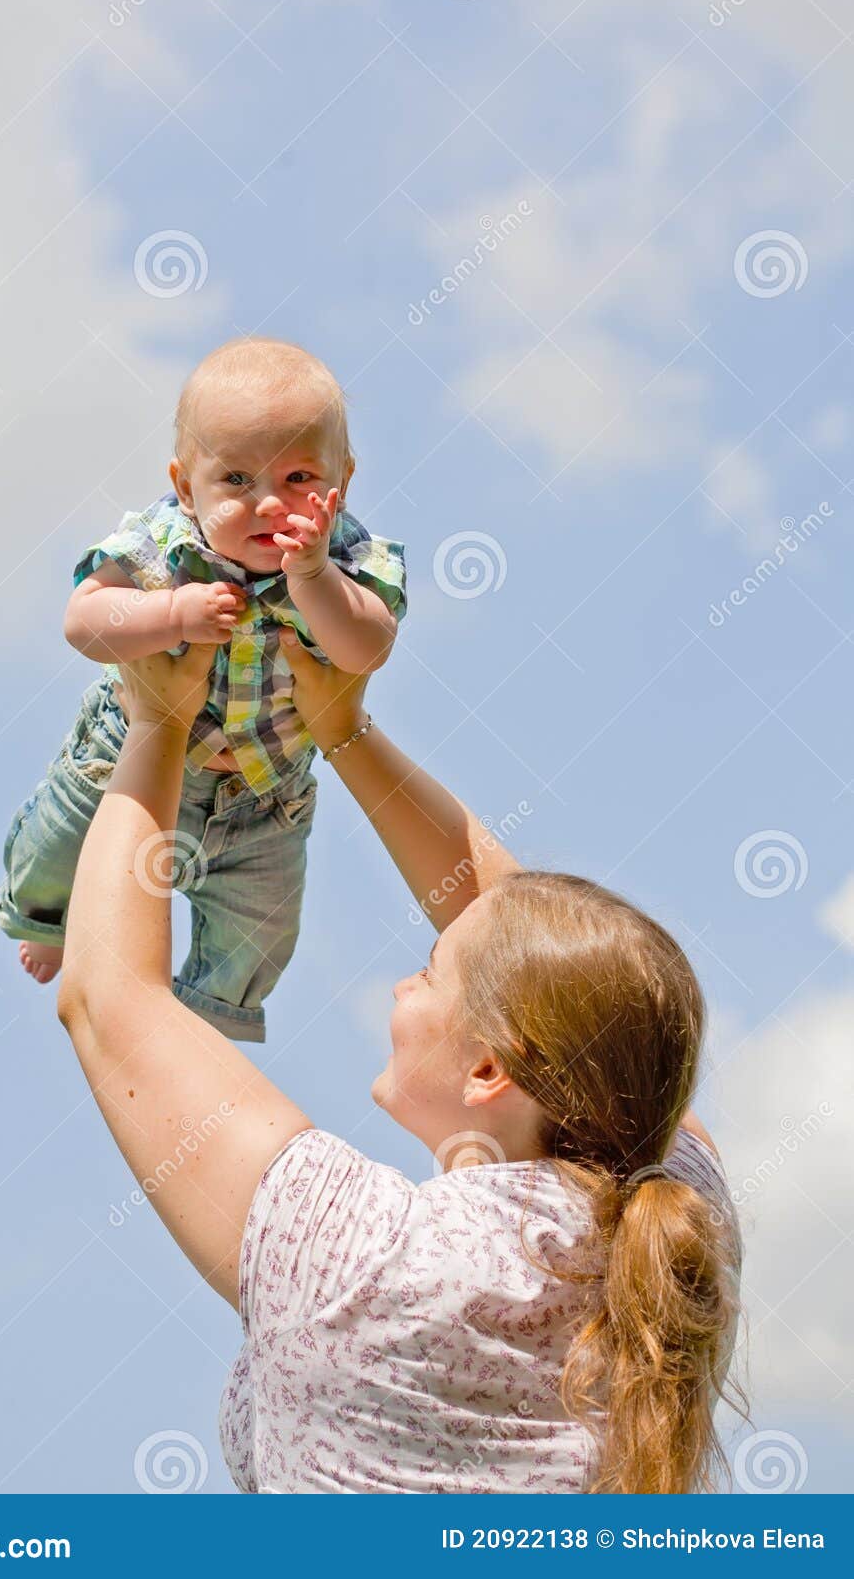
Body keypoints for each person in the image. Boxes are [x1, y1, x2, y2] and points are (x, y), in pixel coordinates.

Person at [55, 634, 743, 1495]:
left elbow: (108, 998)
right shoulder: (673, 1222)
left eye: (425, 975)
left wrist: (155, 721)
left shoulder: (365, 1258)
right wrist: (341, 728)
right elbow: (565, 968)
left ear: (489, 1070)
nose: (397, 986)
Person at [0, 336, 406, 1039]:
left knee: (263, 927)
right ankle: (51, 918)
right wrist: (169, 613)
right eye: (237, 481)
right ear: (187, 486)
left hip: (264, 796)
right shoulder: (160, 541)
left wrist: (311, 578)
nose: (270, 505)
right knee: (55, 853)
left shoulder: (347, 559)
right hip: (126, 755)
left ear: (345, 478)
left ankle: (204, 1022)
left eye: (300, 478)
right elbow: (85, 621)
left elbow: (365, 647)